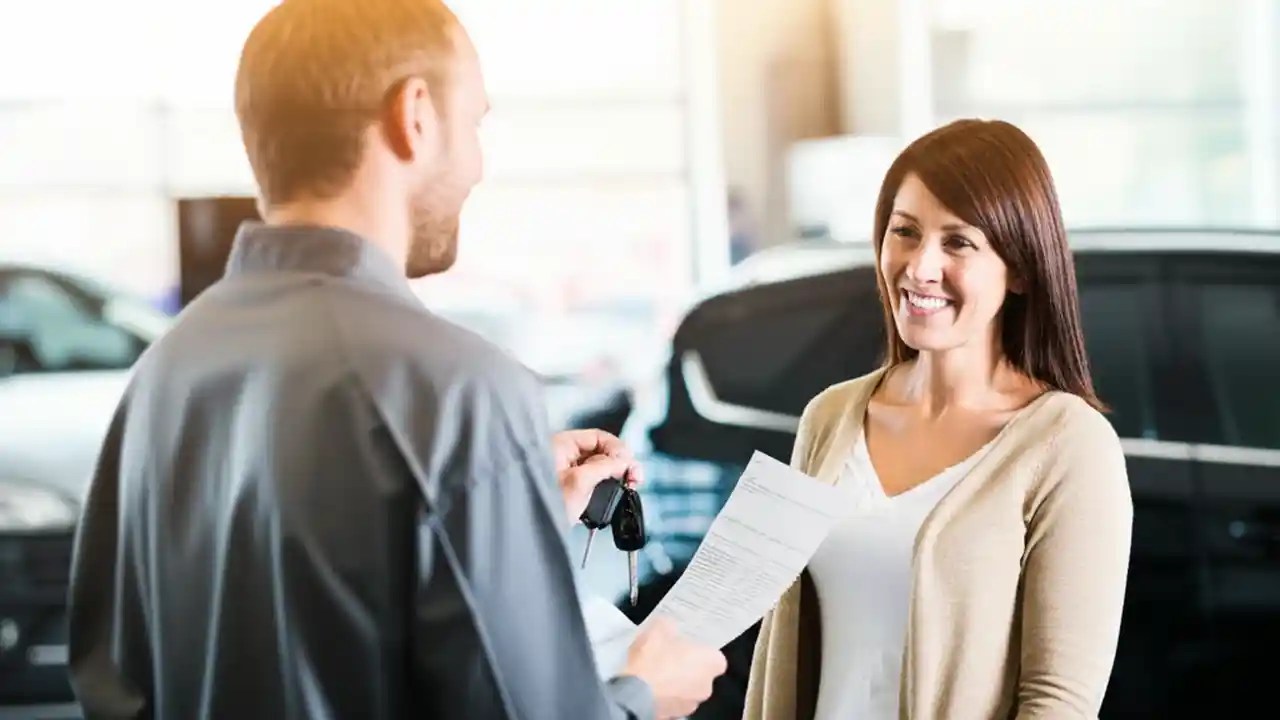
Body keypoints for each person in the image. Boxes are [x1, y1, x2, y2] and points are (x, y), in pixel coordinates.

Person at [65, 1, 725, 719]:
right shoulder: (455, 391)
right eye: (474, 122)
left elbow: (113, 682)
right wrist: (642, 696)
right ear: (414, 114)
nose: (477, 163)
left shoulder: (165, 372)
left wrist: (499, 505)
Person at [744, 119, 1133, 719]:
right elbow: (778, 645)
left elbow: (1058, 703)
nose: (921, 267)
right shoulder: (829, 417)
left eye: (958, 243)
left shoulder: (1068, 445)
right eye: (905, 232)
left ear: (1021, 269)